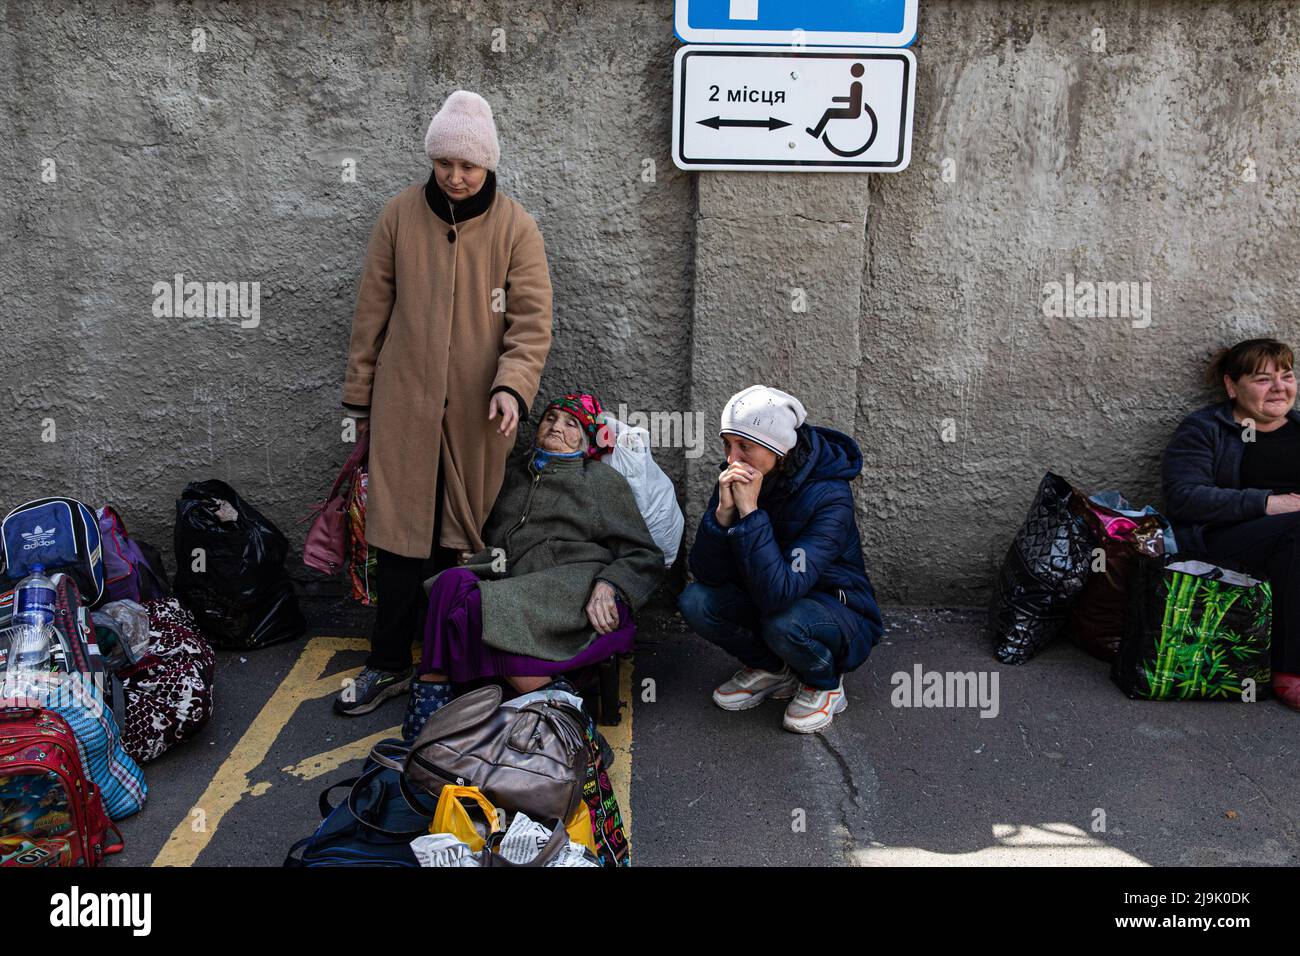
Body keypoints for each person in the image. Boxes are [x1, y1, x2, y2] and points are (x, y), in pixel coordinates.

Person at [335, 90, 554, 717]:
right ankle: (386, 664)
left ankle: (454, 667)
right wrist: (360, 392)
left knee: (466, 541)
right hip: (405, 405)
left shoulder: (515, 227)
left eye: (469, 166)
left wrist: (512, 384)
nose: (456, 178)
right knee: (402, 540)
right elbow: (371, 311)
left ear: (488, 166)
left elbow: (532, 323)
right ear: (432, 160)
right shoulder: (399, 217)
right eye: (445, 164)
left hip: (481, 416)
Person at [401, 393, 665, 741]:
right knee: (449, 585)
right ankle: (432, 697)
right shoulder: (513, 470)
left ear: (586, 440)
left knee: (483, 606)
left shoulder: (599, 481)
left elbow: (645, 554)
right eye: (550, 418)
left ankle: (559, 709)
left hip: (568, 582)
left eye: (571, 424)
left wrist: (609, 584)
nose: (556, 426)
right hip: (509, 573)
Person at [678, 386, 883, 734]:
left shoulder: (830, 498)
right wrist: (723, 516)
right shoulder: (740, 479)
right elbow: (707, 574)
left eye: (744, 446)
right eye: (727, 444)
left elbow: (781, 592)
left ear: (780, 449)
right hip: (770, 596)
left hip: (833, 609)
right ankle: (773, 669)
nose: (732, 458)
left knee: (783, 622)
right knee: (695, 601)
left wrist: (750, 512)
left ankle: (824, 683)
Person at [1163, 337, 1300, 711]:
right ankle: (1291, 670)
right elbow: (1184, 496)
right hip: (1227, 540)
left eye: (1286, 376)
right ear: (1230, 385)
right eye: (1262, 379)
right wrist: (1267, 503)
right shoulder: (1207, 428)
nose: (1279, 388)